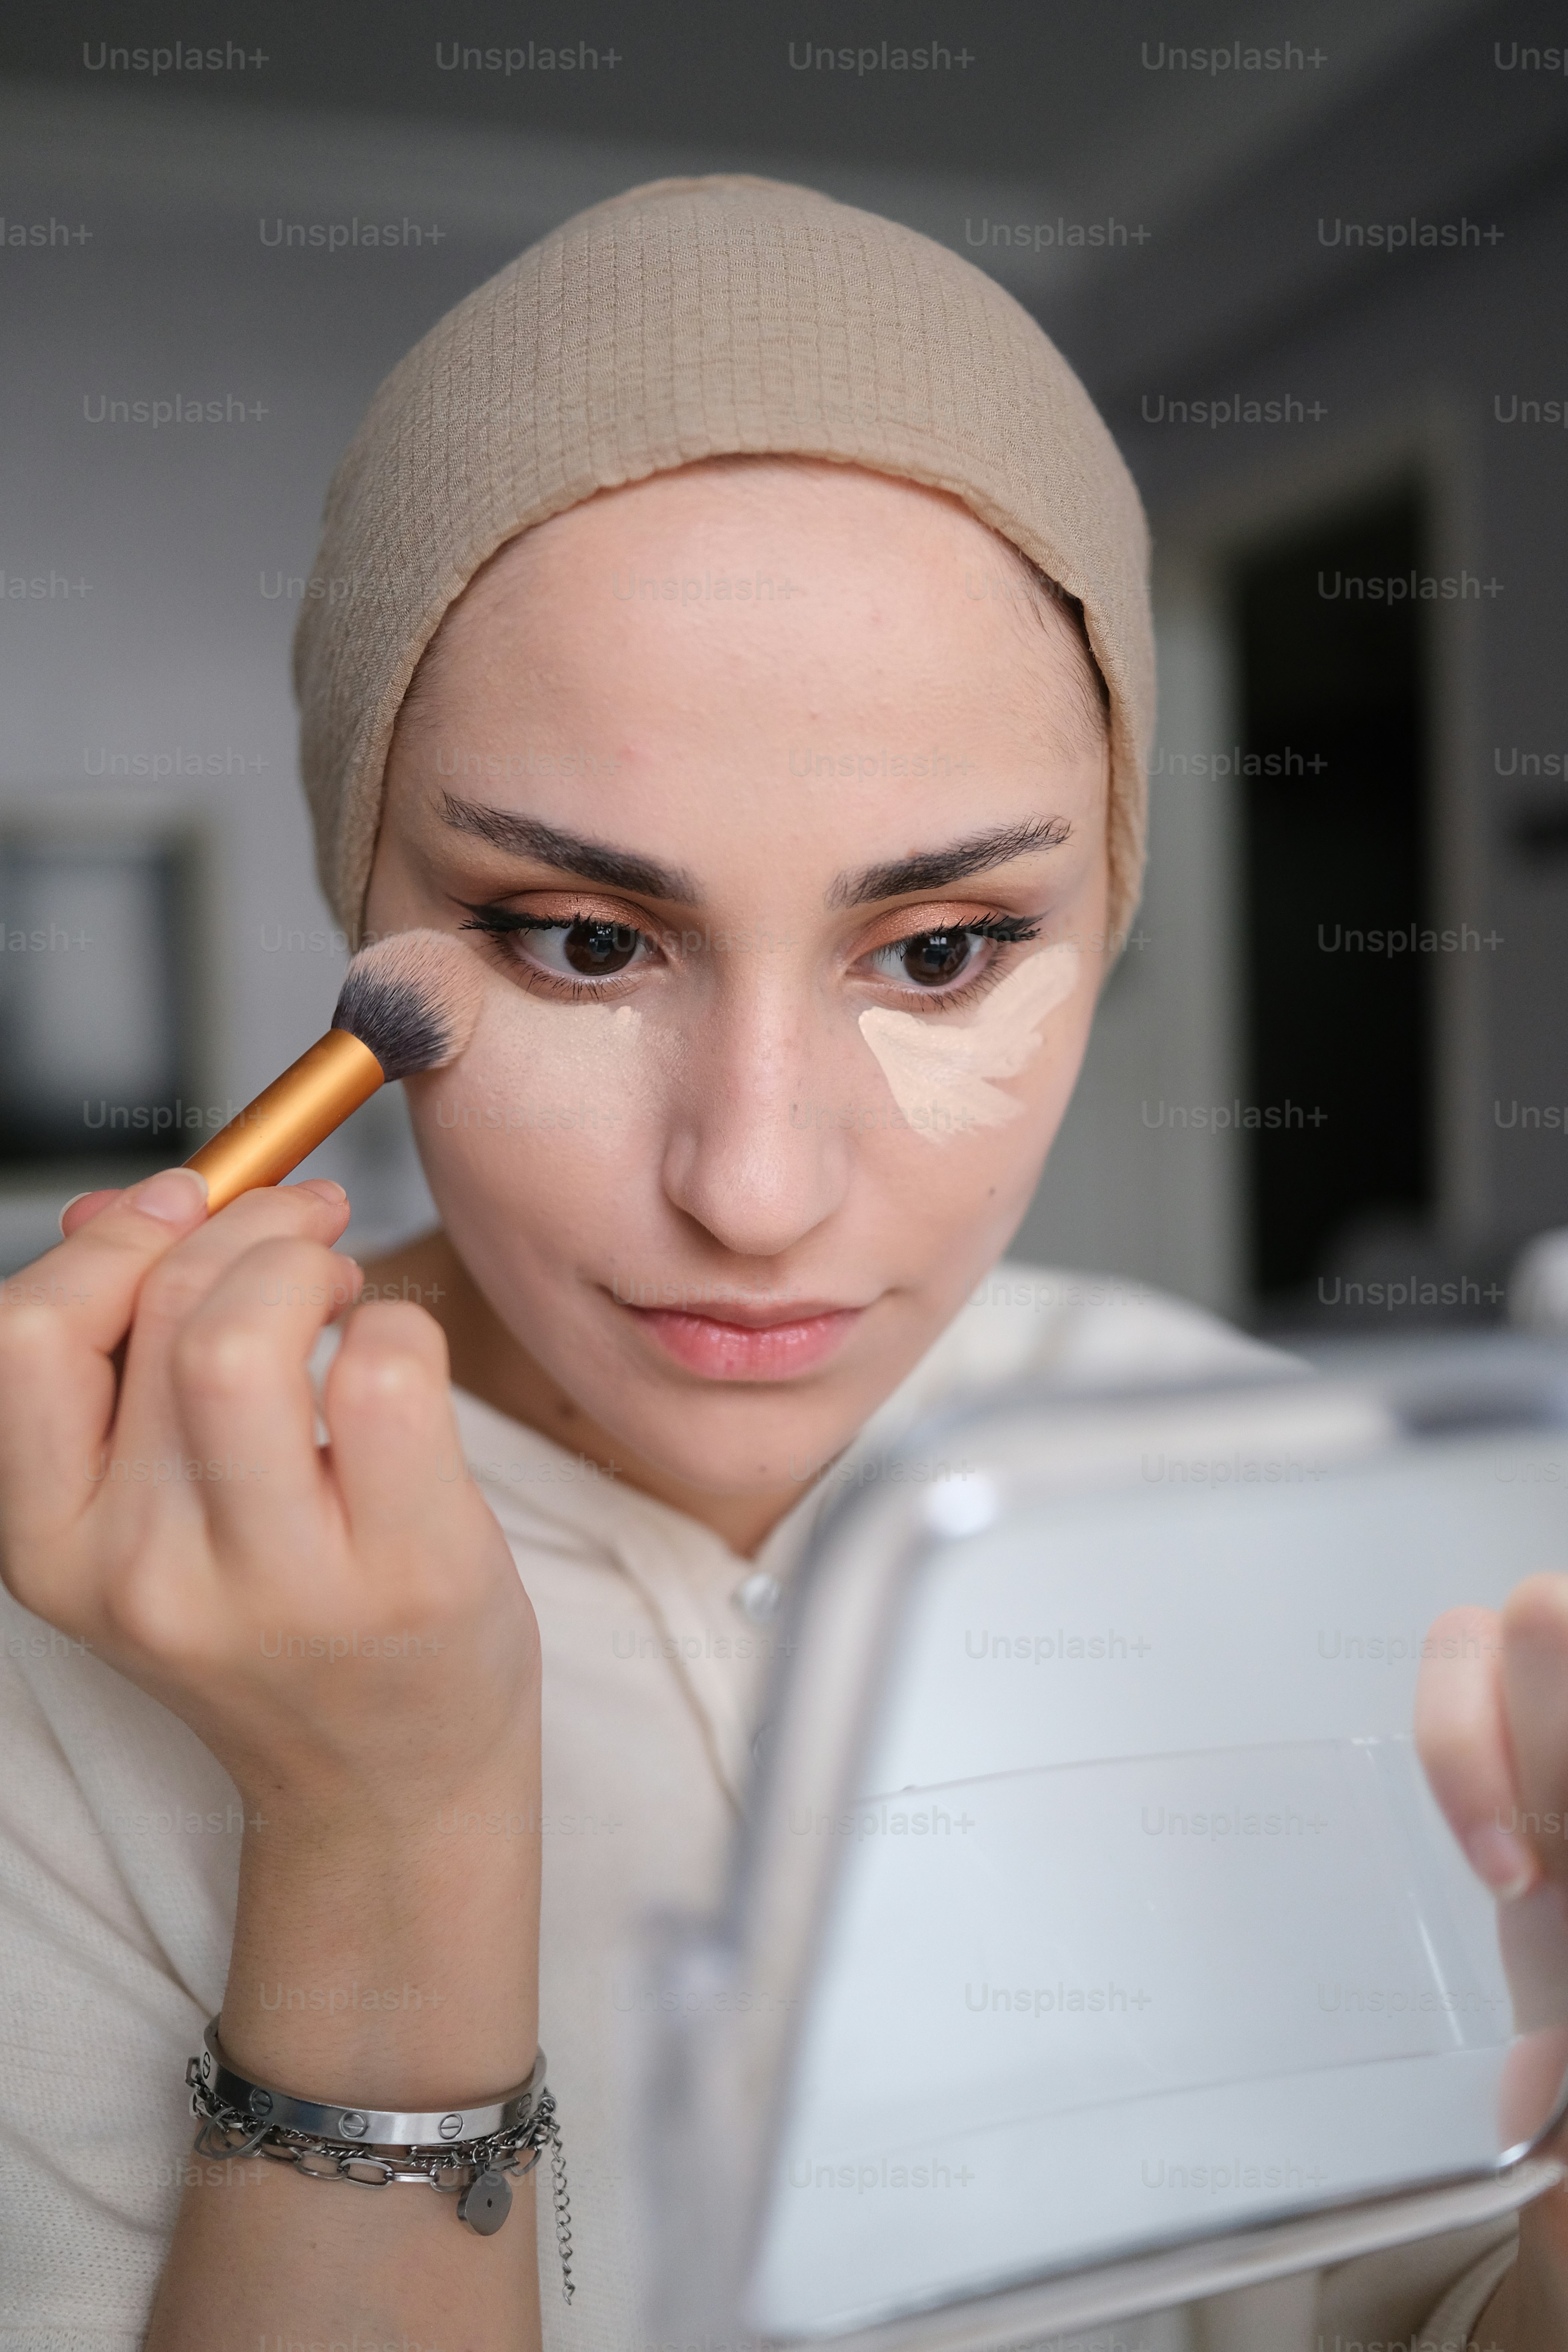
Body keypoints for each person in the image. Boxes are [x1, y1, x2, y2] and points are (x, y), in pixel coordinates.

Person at [0, 176, 1562, 2352]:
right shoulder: (73, 1631)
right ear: (366, 905)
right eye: (583, 941)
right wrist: (380, 1835)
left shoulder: (1282, 1488)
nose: (752, 1188)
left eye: (939, 951)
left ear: (1109, 916)